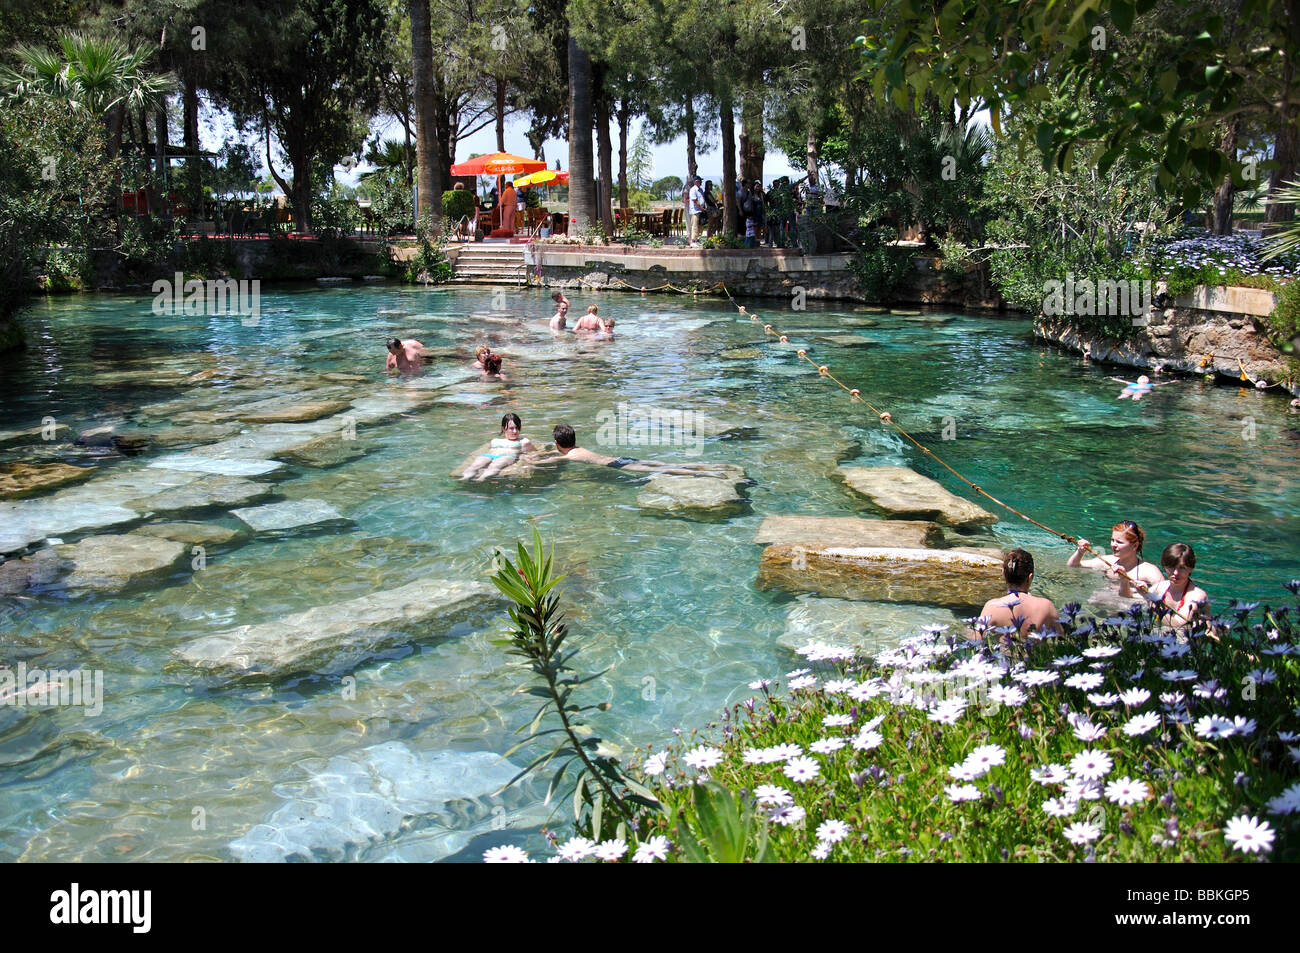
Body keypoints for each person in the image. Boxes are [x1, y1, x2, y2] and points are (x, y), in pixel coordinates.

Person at [544, 424, 732, 475]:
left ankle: (710, 474)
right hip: (621, 458)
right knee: (665, 464)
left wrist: (531, 460)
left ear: (557, 443)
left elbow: (551, 460)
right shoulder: (577, 450)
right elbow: (556, 454)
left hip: (619, 466)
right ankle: (713, 466)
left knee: (663, 470)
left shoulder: (568, 457)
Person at [968, 549, 1062, 640]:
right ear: (1030, 577)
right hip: (1037, 656)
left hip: (1004, 656)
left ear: (1003, 573)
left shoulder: (991, 607)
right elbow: (1063, 639)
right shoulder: (1046, 606)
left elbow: (977, 640)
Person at [1067, 520, 1165, 599]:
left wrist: (1143, 594)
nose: (1113, 545)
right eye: (1112, 540)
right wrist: (1080, 552)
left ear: (1135, 545)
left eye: (1119, 542)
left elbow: (1163, 596)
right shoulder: (1107, 561)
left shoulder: (1149, 571)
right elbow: (1073, 566)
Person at [1137, 542, 1209, 629]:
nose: (1175, 573)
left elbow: (1178, 624)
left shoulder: (1196, 596)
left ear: (1191, 568)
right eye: (1171, 567)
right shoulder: (1160, 587)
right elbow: (1129, 598)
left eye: (1182, 568)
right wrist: (1124, 582)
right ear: (1164, 566)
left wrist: (1151, 602)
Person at [460, 413, 536, 481]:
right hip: (489, 455)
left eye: (517, 428)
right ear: (503, 429)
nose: (515, 431)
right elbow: (488, 451)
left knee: (495, 465)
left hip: (507, 456)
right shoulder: (495, 441)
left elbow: (532, 453)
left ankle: (482, 478)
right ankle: (464, 478)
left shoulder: (523, 441)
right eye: (511, 428)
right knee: (476, 465)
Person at [687, 175, 706, 247]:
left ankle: (697, 239)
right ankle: (693, 241)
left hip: (701, 210)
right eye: (700, 181)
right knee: (694, 226)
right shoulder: (693, 190)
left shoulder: (700, 190)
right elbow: (695, 200)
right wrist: (701, 208)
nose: (701, 182)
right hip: (695, 210)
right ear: (696, 182)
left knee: (700, 226)